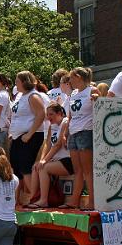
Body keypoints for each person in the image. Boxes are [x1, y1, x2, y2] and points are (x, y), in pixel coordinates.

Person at [26, 103, 72, 209]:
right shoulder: (52, 126)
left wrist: (44, 161)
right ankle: (33, 198)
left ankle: (43, 200)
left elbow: (58, 145)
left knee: (43, 168)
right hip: (56, 161)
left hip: (68, 160)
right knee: (36, 166)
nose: (48, 117)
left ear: (59, 113)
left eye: (51, 114)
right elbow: (47, 144)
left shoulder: (65, 122)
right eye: (47, 114)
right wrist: (42, 159)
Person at [8, 71, 45, 201]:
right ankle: (16, 199)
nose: (15, 84)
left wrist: (29, 134)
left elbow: (41, 114)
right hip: (17, 137)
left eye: (17, 81)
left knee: (25, 167)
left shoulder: (33, 96)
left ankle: (34, 197)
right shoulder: (19, 96)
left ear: (25, 82)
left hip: (30, 136)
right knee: (16, 167)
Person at [63, 67, 96, 209]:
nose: (69, 81)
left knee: (87, 170)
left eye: (71, 77)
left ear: (78, 77)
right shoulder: (73, 93)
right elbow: (70, 115)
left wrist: (98, 97)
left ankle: (92, 201)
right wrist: (66, 132)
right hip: (74, 132)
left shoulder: (92, 90)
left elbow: (100, 107)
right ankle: (74, 201)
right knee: (78, 170)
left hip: (85, 131)